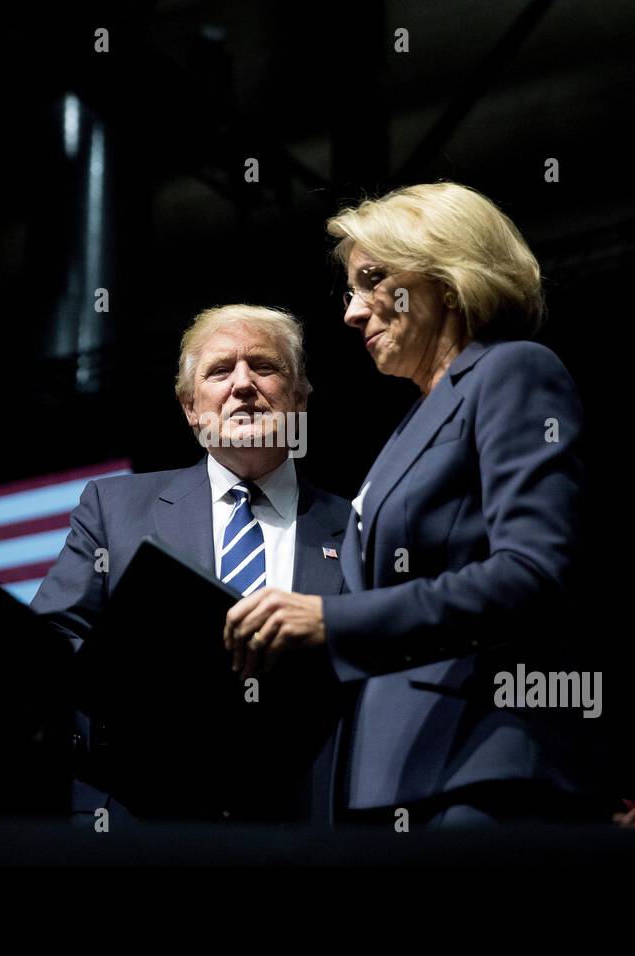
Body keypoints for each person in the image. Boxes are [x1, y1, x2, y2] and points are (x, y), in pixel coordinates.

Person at [225, 182, 594, 827]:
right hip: (387, 776)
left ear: (446, 277)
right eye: (349, 290)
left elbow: (532, 575)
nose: (351, 312)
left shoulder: (514, 371)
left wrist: (332, 622)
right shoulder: (409, 426)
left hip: (481, 764)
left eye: (372, 280)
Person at [32, 304, 351, 824]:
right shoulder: (113, 508)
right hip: (140, 815)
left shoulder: (358, 528)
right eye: (220, 371)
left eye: (265, 367)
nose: (243, 385)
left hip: (298, 825)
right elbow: (53, 640)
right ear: (190, 407)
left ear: (300, 397)